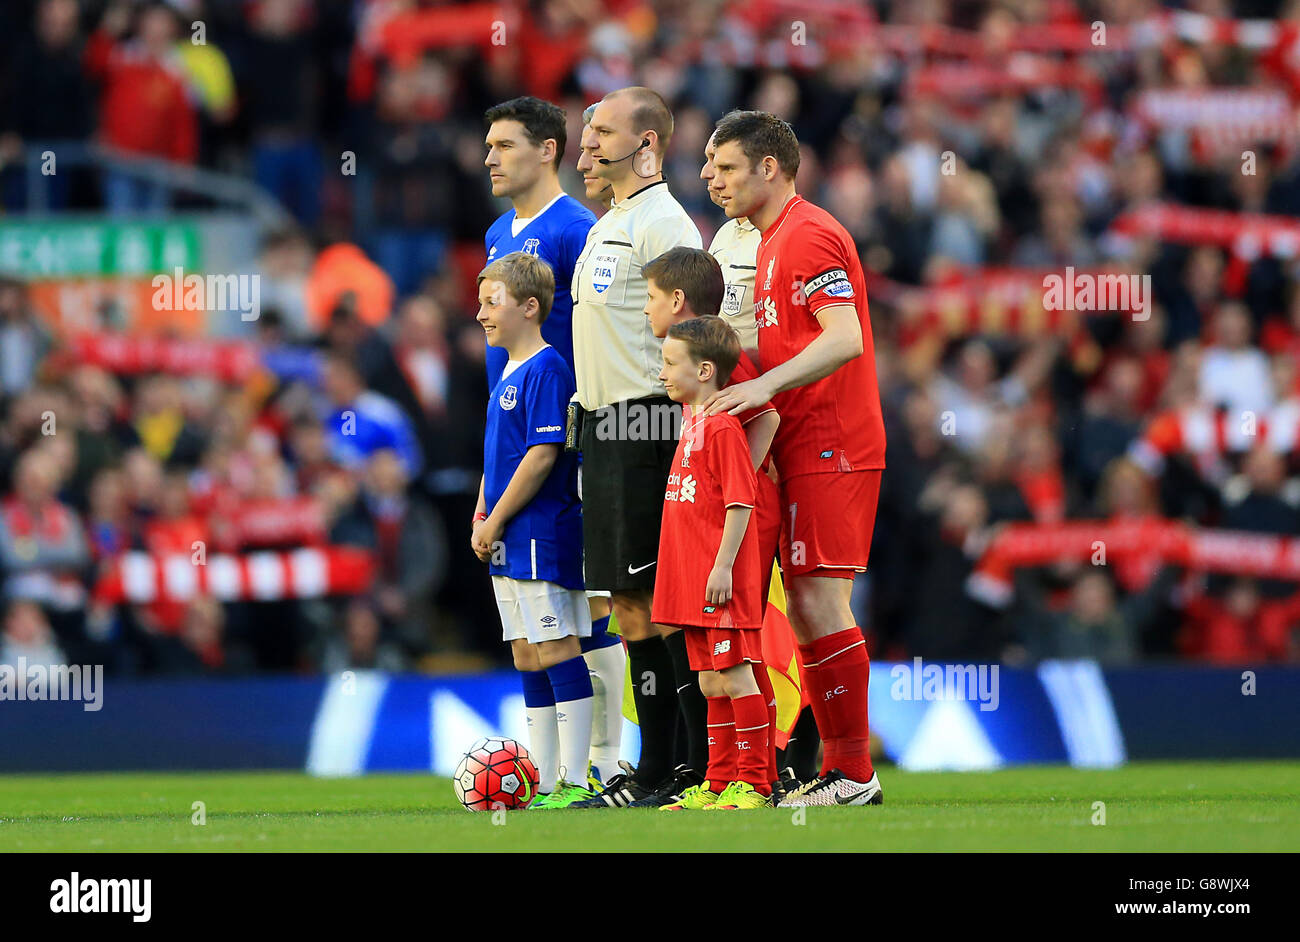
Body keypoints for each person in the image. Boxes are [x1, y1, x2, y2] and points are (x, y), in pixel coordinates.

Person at [704, 111, 885, 807]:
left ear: (769, 167)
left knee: (819, 599)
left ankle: (853, 771)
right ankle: (841, 770)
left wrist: (763, 387)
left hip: (833, 440)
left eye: (723, 166)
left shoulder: (809, 235)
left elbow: (845, 339)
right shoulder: (773, 240)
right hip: (803, 442)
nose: (709, 177)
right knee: (809, 604)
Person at [569, 87, 703, 808]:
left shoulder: (663, 221)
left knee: (655, 602)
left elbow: (690, 331)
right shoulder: (609, 223)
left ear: (646, 144)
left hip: (644, 425)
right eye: (587, 134)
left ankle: (677, 765)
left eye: (603, 134)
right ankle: (664, 764)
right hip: (605, 429)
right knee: (628, 604)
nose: (586, 147)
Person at [485, 96, 624, 781]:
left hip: (565, 438)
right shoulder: (496, 233)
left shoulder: (577, 228)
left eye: (504, 145)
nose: (489, 158)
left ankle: (606, 759)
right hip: (510, 434)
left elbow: (590, 334)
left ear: (547, 150)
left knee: (590, 604)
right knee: (539, 620)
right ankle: (576, 766)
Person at [641, 246, 782, 798]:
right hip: (694, 571)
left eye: (670, 365)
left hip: (717, 571)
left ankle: (755, 782)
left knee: (735, 674)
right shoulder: (693, 420)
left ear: (702, 370)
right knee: (706, 679)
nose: (662, 371)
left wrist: (723, 562)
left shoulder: (722, 425)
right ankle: (719, 782)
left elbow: (739, 498)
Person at [472, 252, 597, 809]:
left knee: (556, 643)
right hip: (505, 532)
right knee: (525, 650)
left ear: (529, 307)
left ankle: (576, 776)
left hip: (538, 530)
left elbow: (543, 453)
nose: (480, 315)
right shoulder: (505, 370)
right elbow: (495, 458)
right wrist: (482, 512)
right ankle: (542, 779)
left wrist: (497, 517)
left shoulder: (548, 369)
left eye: (490, 302)